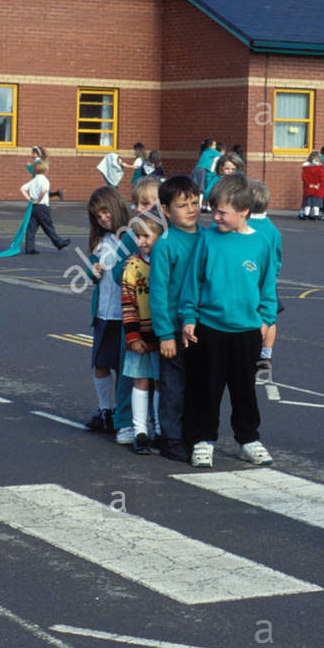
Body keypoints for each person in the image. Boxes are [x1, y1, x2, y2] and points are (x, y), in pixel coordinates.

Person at [179, 175, 278, 469]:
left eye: (222, 212)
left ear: (244, 211)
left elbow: (268, 286)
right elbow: (193, 282)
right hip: (209, 328)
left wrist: (266, 319)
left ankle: (248, 439)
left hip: (246, 331)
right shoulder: (207, 238)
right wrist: (188, 317)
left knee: (244, 390)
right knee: (205, 390)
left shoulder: (261, 242)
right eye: (214, 209)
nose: (215, 216)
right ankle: (203, 440)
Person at [149, 175, 204, 464]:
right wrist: (164, 335)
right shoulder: (165, 245)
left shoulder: (208, 237)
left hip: (200, 325)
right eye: (183, 205)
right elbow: (157, 293)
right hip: (173, 326)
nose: (191, 209)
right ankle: (170, 438)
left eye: (195, 202)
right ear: (167, 211)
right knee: (173, 385)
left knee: (197, 385)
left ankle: (193, 434)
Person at [82, 187, 130, 433]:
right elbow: (91, 269)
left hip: (125, 315)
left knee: (123, 369)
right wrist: (93, 272)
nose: (102, 218)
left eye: (104, 212)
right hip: (104, 312)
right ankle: (105, 409)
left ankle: (124, 415)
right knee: (101, 364)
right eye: (97, 216)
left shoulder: (131, 236)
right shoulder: (100, 241)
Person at [121, 216, 163, 454]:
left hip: (161, 334)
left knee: (160, 381)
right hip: (139, 334)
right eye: (138, 236)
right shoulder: (132, 267)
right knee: (141, 380)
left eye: (147, 236)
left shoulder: (163, 262)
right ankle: (140, 430)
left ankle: (158, 428)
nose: (141, 241)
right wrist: (133, 337)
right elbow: (127, 303)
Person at [249, 180, 283, 376]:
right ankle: (266, 354)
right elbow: (278, 257)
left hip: (248, 277)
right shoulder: (272, 230)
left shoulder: (244, 225)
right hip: (268, 279)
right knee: (270, 317)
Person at [19, 158, 71, 254]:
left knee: (31, 228)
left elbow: (22, 188)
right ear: (45, 170)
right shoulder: (45, 180)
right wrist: (39, 200)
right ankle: (59, 243)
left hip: (33, 207)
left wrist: (30, 199)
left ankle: (29, 248)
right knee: (48, 226)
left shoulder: (33, 181)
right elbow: (43, 191)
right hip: (42, 207)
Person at [299, 151, 324, 220]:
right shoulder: (320, 168)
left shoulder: (305, 168)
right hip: (318, 188)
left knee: (308, 202)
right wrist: (318, 184)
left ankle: (306, 214)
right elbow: (323, 177)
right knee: (316, 203)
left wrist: (309, 184)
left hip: (308, 187)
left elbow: (304, 177)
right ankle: (316, 215)